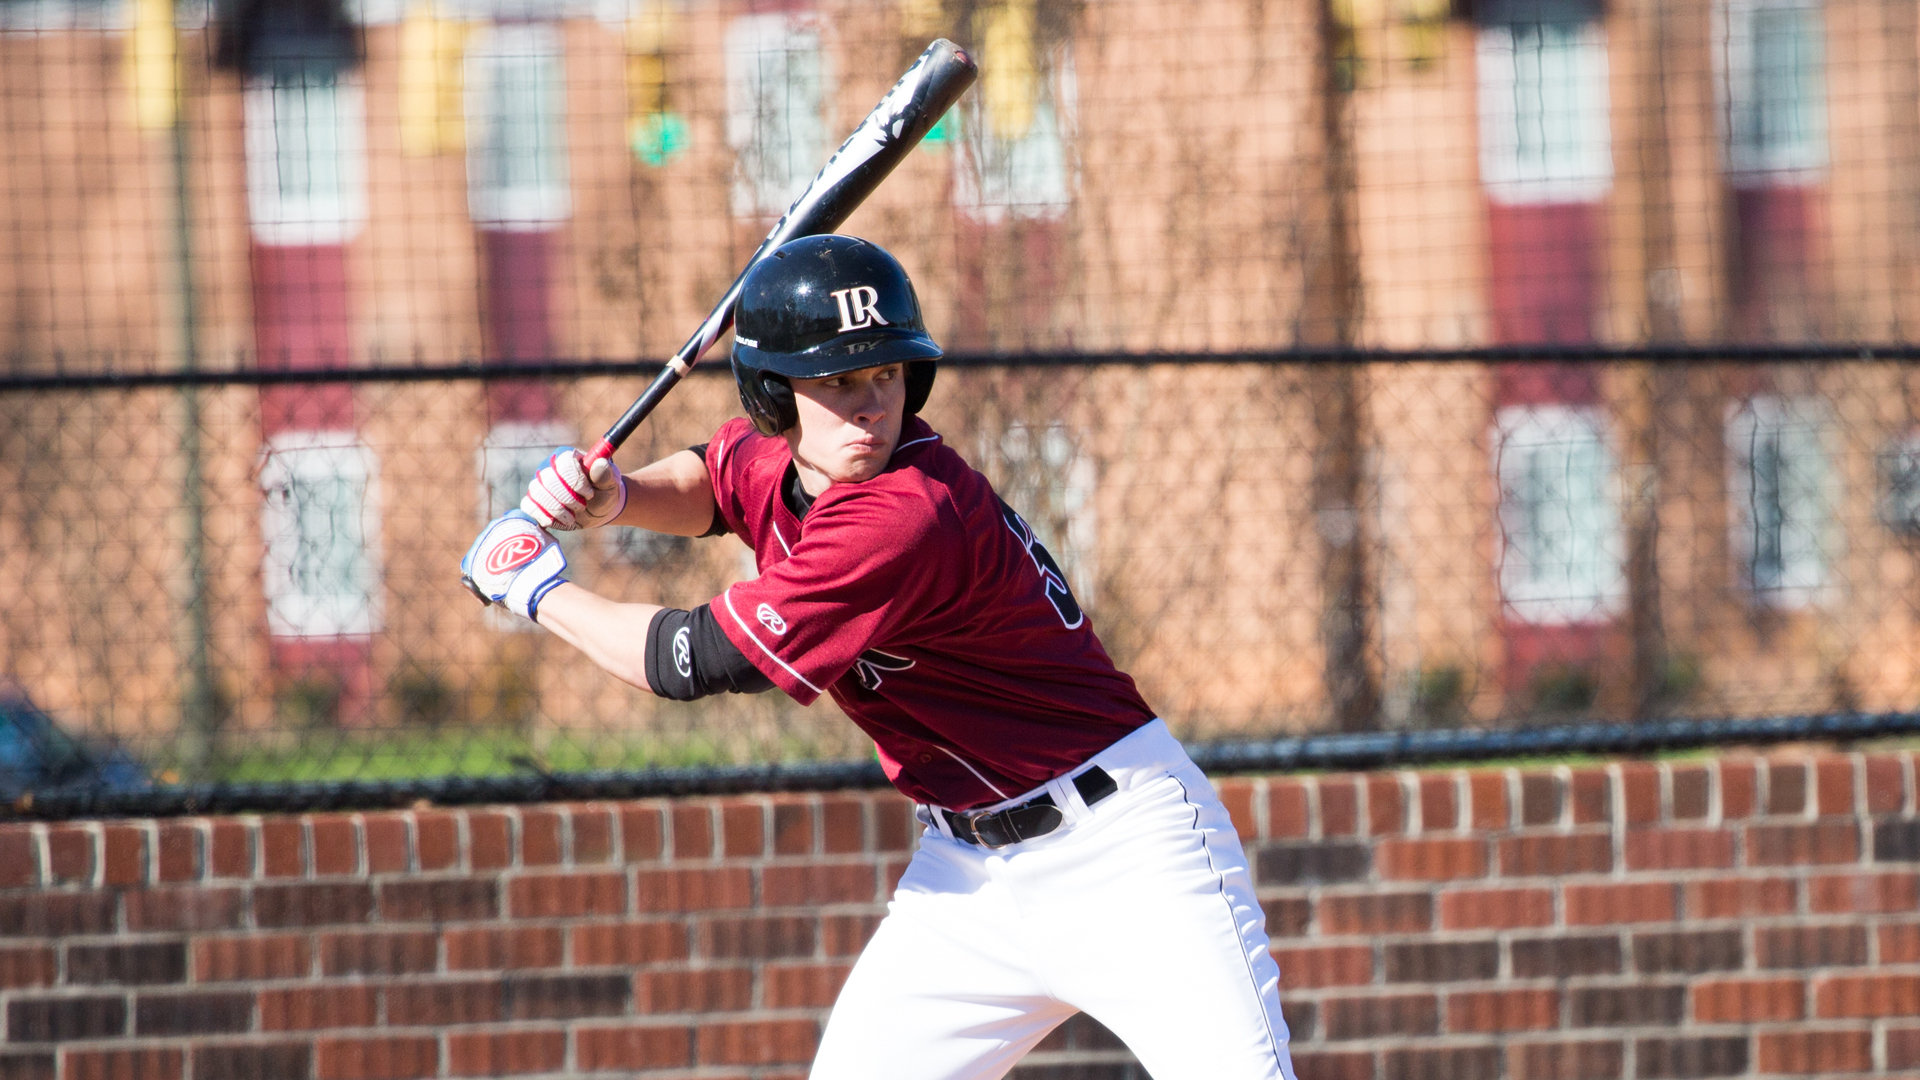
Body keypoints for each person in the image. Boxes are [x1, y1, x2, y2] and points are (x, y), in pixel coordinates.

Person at [460, 235, 1295, 1080]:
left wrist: (534, 588)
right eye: (835, 380)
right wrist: (618, 497)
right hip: (967, 879)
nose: (868, 406)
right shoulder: (787, 462)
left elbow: (693, 659)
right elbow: (716, 476)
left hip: (1123, 850)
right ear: (775, 397)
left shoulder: (904, 515)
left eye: (885, 373)